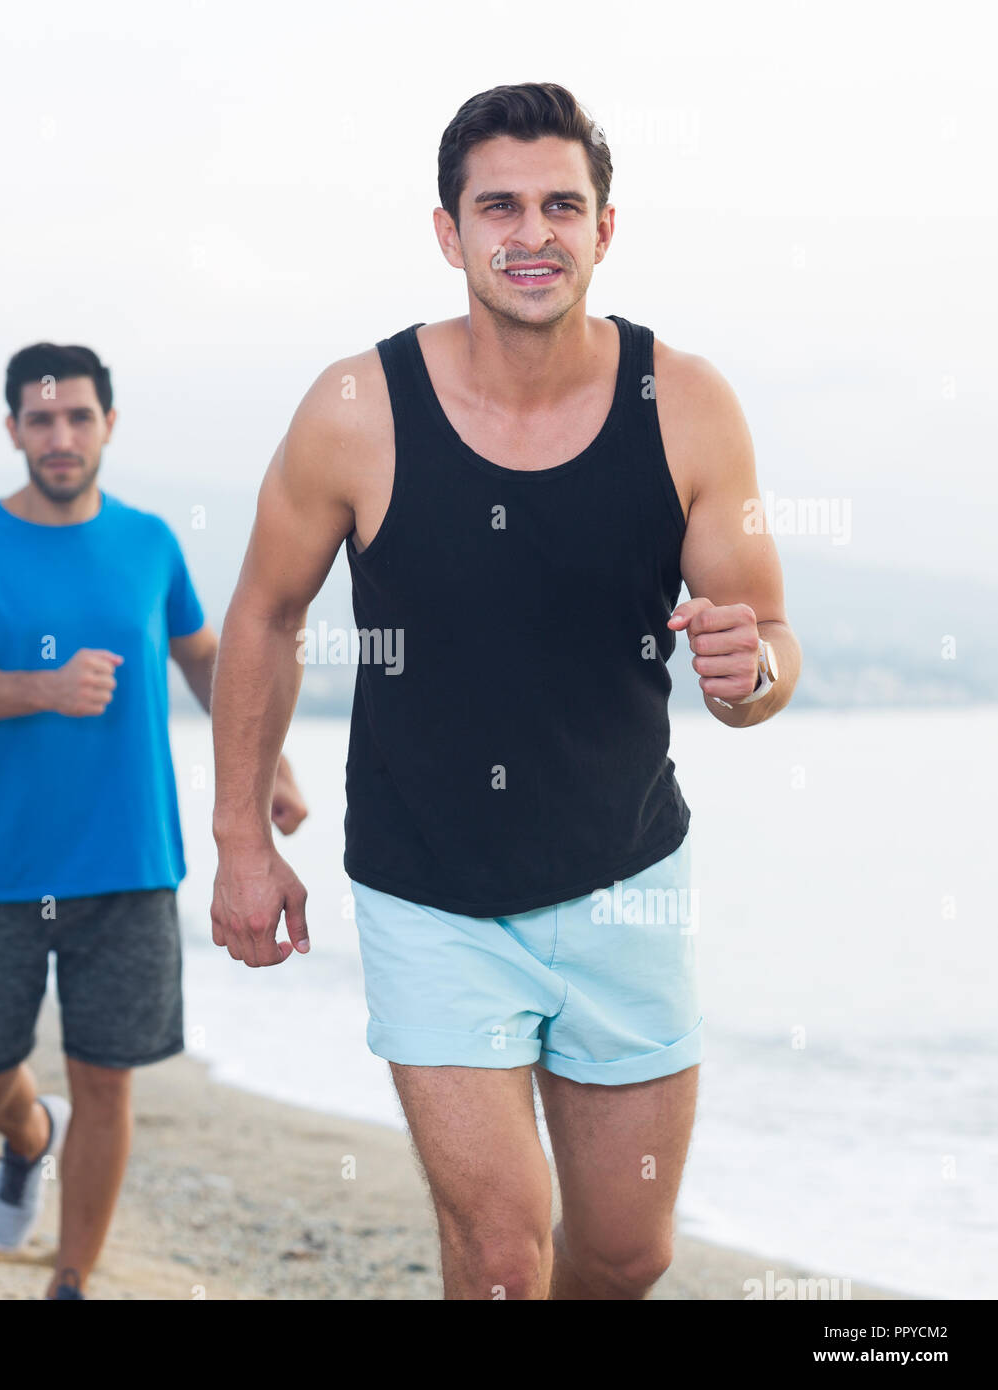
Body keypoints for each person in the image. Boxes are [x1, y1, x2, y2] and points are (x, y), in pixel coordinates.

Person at [208, 83, 800, 1300]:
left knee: (627, 1253)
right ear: (448, 232)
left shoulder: (686, 403)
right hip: (429, 894)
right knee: (496, 1254)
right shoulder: (355, 409)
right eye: (499, 206)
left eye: (560, 205)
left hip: (625, 879)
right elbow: (265, 616)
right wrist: (237, 840)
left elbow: (767, 649)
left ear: (604, 229)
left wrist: (753, 677)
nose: (531, 232)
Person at [0, 342, 306, 1300]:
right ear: (13, 432)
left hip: (129, 860)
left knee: (109, 1080)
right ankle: (26, 1136)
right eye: (40, 420)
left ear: (108, 426)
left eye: (79, 417)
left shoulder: (150, 543)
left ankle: (71, 1281)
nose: (60, 436)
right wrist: (42, 685)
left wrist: (267, 754)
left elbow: (204, 658)